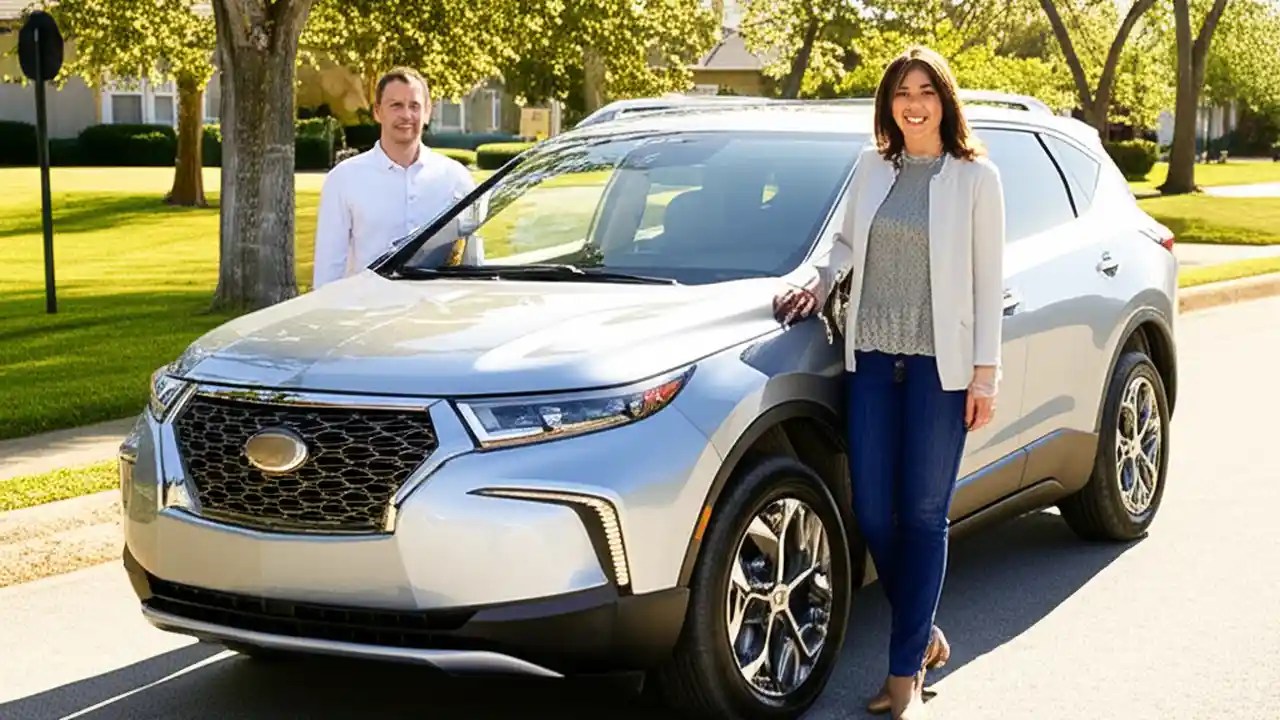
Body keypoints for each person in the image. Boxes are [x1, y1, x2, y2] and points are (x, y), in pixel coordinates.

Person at [774, 45, 1005, 719]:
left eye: (926, 90)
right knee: (873, 510)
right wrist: (815, 283)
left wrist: (984, 375)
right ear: (890, 102)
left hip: (942, 367)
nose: (914, 103)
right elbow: (844, 246)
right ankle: (924, 633)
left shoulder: (975, 178)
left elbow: (989, 283)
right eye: (903, 91)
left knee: (925, 516)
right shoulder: (871, 168)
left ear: (945, 100)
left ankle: (903, 673)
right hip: (873, 358)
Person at [312, 67, 478, 289]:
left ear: (428, 112)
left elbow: (473, 264)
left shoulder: (456, 178)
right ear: (378, 111)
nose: (407, 115)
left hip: (435, 314)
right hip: (367, 315)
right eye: (396, 105)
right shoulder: (343, 179)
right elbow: (327, 273)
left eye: (415, 106)